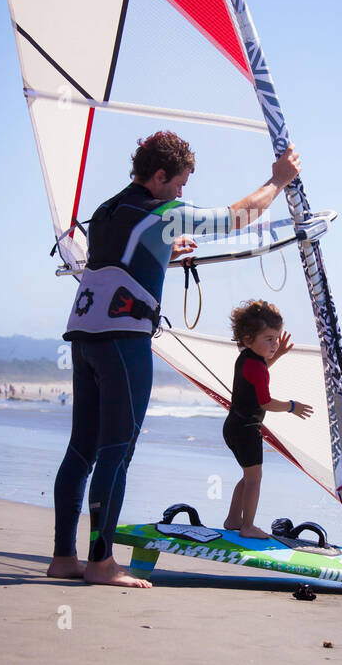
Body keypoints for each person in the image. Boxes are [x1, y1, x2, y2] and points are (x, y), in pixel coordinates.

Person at [48, 130, 302, 587]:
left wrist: (162, 254)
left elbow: (116, 263)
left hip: (84, 335)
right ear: (160, 176)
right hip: (122, 341)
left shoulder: (107, 210)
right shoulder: (165, 212)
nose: (184, 192)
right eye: (181, 182)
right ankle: (101, 564)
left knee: (80, 449)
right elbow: (234, 218)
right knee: (115, 452)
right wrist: (278, 180)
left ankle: (64, 557)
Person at [222, 300, 312, 539]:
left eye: (277, 338)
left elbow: (260, 371)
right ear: (249, 338)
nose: (274, 344)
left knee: (248, 476)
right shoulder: (256, 365)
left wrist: (278, 354)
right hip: (246, 429)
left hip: (234, 426)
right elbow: (265, 402)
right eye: (269, 339)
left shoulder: (249, 359)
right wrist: (292, 406)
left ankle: (233, 519)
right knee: (254, 479)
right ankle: (248, 526)